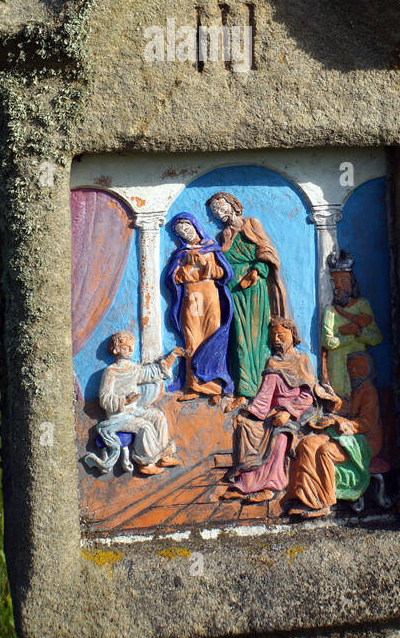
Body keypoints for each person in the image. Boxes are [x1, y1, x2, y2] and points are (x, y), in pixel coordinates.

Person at [221, 317, 338, 504]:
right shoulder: (272, 362)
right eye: (273, 335)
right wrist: (251, 413)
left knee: (280, 436)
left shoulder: (302, 360)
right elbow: (264, 395)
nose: (277, 339)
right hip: (272, 411)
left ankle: (271, 486)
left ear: (293, 335)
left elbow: (307, 396)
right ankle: (245, 484)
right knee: (247, 429)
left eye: (281, 335)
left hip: (297, 413)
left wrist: (288, 412)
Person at [207, 191, 288, 399]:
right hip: (232, 290)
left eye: (221, 206)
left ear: (233, 205)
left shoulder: (251, 224)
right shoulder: (224, 235)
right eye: (215, 211)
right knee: (237, 337)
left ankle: (258, 386)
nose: (219, 212)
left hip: (252, 288)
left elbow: (267, 251)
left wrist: (256, 271)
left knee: (255, 336)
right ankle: (242, 388)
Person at [286, 351, 378, 518]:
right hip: (347, 436)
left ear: (369, 370)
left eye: (359, 368)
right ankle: (308, 497)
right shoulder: (357, 390)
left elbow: (366, 423)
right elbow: (349, 409)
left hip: (364, 441)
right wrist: (335, 401)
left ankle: (325, 502)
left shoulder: (369, 391)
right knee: (308, 443)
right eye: (351, 369)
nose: (354, 372)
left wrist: (338, 422)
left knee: (325, 451)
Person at [86, 331, 184, 475]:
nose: (131, 350)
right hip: (118, 417)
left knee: (158, 417)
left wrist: (172, 356)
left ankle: (164, 456)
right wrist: (124, 401)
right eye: (126, 347)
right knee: (145, 427)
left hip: (133, 411)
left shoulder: (133, 368)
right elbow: (104, 398)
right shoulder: (111, 371)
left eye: (132, 347)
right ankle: (145, 462)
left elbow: (152, 372)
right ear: (116, 349)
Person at [164, 213, 234, 400]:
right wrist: (188, 267)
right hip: (192, 298)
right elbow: (174, 278)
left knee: (213, 338)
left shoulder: (211, 249)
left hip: (210, 297)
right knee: (192, 340)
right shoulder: (181, 254)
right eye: (180, 231)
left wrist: (205, 265)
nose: (185, 232)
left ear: (195, 226)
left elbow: (225, 274)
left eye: (186, 227)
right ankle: (194, 387)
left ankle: (216, 388)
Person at [320, 250, 383, 400]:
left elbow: (377, 338)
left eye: (343, 281)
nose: (339, 286)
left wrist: (358, 332)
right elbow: (328, 342)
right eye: (335, 281)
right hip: (337, 366)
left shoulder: (362, 305)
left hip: (359, 365)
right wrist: (352, 335)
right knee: (342, 402)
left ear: (352, 282)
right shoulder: (331, 311)